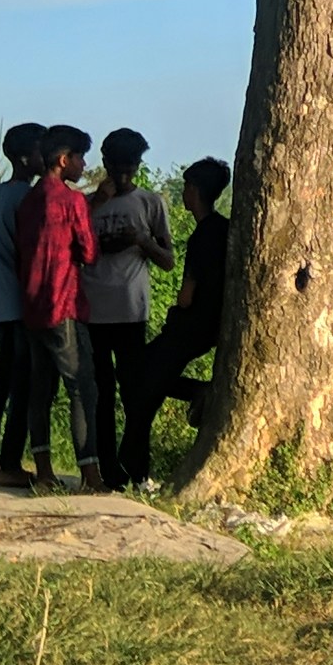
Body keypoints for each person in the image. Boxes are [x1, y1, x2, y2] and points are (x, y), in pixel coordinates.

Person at [122, 156, 232, 487]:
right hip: (211, 325)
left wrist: (177, 310)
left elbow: (186, 293)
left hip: (191, 325)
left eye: (185, 188)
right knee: (146, 381)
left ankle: (135, 471)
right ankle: (133, 468)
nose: (183, 193)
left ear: (194, 191)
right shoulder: (226, 228)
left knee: (139, 381)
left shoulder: (201, 236)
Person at [81, 128, 176, 492]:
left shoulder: (150, 204)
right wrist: (96, 205)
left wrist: (140, 240)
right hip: (94, 313)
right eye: (115, 168)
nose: (122, 177)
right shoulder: (87, 204)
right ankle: (108, 471)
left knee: (135, 394)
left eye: (129, 169)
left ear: (138, 166)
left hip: (131, 313)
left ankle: (138, 469)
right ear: (104, 163)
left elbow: (167, 260)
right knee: (100, 395)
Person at [14, 122, 104, 493]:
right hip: (63, 303)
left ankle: (45, 470)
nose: (84, 165)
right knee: (83, 388)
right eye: (81, 158)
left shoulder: (29, 201)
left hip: (32, 305)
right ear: (64, 160)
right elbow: (88, 252)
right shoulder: (72, 202)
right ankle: (90, 474)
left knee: (41, 388)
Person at [0, 120, 48, 486]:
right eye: (40, 150)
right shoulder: (28, 199)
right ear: (24, 157)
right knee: (24, 387)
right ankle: (11, 464)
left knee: (1, 382)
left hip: (0, 304)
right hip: (24, 305)